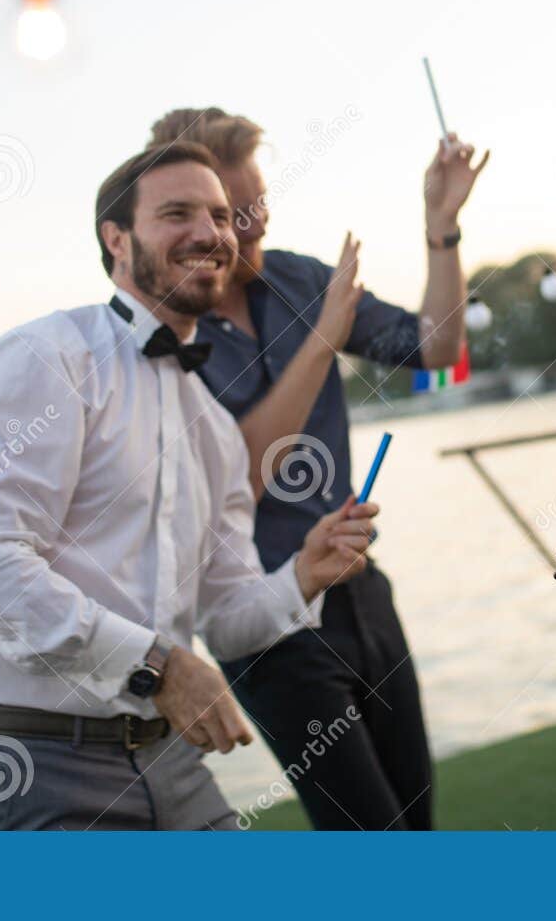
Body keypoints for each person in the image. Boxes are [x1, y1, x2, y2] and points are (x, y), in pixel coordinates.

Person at [0, 140, 378, 831]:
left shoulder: (212, 425)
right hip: (28, 761)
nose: (211, 233)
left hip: (167, 761)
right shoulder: (45, 360)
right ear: (117, 239)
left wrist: (302, 577)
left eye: (223, 216)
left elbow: (225, 619)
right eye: (177, 213)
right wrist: (157, 666)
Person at [145, 106, 487, 830]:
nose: (255, 226)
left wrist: (441, 227)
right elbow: (239, 475)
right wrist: (326, 337)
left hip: (364, 593)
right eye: (236, 216)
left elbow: (437, 348)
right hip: (271, 622)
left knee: (416, 823)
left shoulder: (301, 279)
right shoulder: (167, 337)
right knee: (367, 835)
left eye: (259, 204)